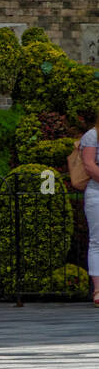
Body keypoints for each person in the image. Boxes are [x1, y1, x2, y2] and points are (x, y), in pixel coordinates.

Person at [80, 112, 99, 305]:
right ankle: (98, 290)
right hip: (97, 193)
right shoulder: (92, 135)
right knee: (97, 241)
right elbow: (89, 165)